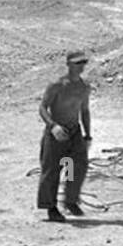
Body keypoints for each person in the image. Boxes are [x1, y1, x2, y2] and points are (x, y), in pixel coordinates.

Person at [37, 51, 93, 223]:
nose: (81, 66)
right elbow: (43, 108)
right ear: (68, 64)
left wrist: (88, 135)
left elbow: (84, 111)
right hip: (56, 134)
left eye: (83, 62)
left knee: (76, 167)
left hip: (74, 132)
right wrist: (53, 126)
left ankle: (70, 200)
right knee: (51, 171)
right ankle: (51, 208)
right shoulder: (57, 85)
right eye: (77, 63)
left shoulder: (84, 87)